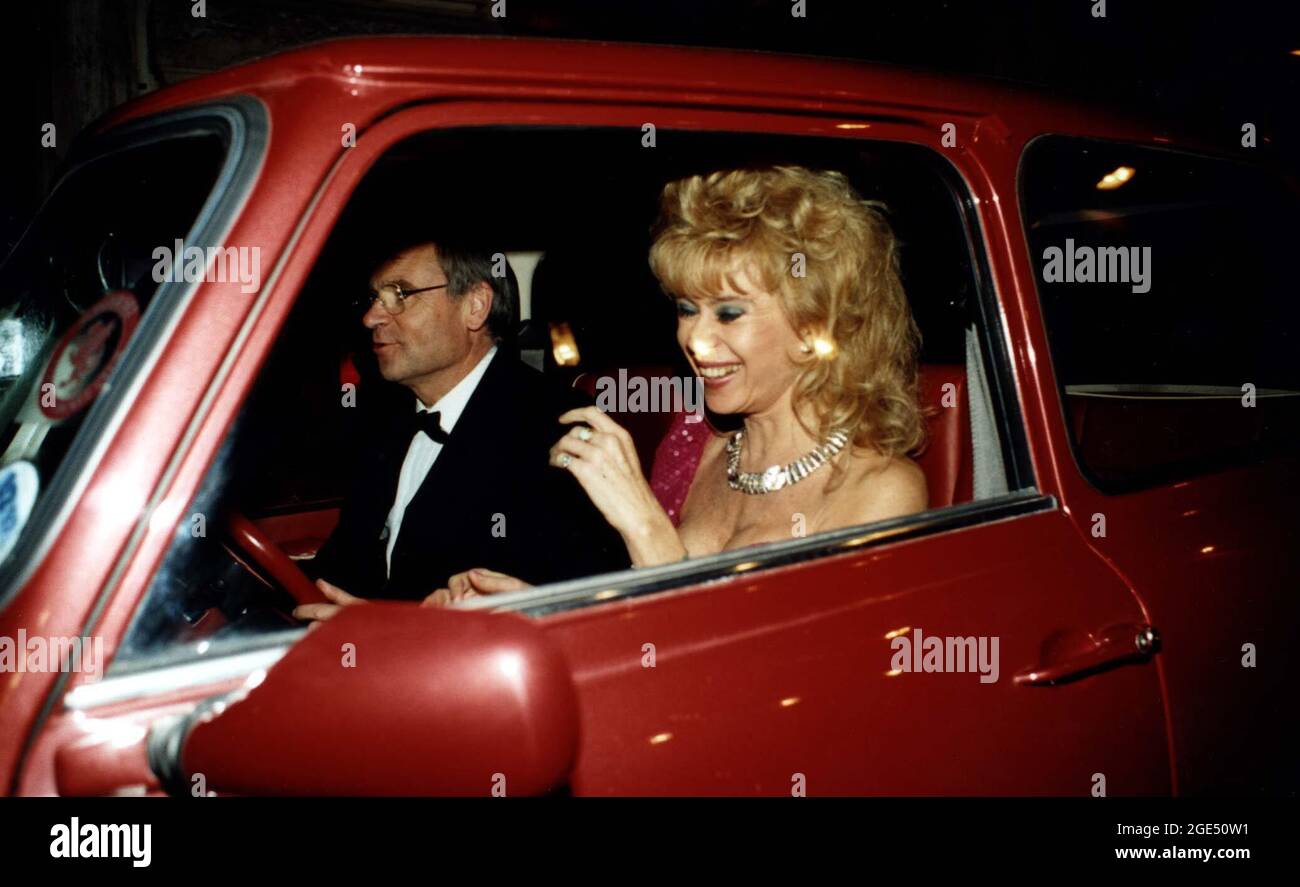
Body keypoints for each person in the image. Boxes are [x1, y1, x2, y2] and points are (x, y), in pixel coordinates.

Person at [438, 165, 929, 604]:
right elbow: (645, 627)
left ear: (812, 329)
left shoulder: (882, 491)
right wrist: (542, 608)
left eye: (729, 313)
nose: (693, 337)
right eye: (687, 309)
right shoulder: (698, 444)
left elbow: (790, 676)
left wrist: (646, 527)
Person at [295, 239, 627, 619]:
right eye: (374, 299)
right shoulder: (384, 423)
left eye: (399, 294)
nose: (371, 318)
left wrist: (390, 632)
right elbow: (339, 573)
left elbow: (580, 613)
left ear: (475, 306)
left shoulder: (559, 427)